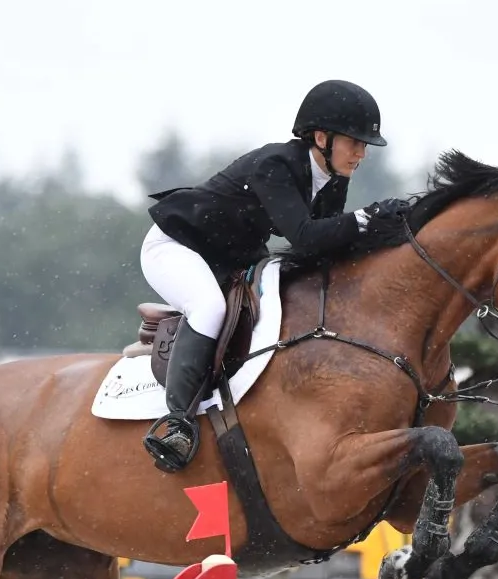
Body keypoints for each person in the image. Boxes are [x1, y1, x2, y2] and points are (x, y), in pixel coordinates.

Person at [138, 79, 413, 473]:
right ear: (321, 137)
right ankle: (176, 422)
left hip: (229, 258)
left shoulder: (333, 177)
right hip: (177, 247)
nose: (361, 153)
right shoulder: (277, 166)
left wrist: (385, 231)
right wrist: (366, 218)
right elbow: (303, 237)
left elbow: (328, 244)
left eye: (364, 144)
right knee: (209, 308)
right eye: (354, 141)